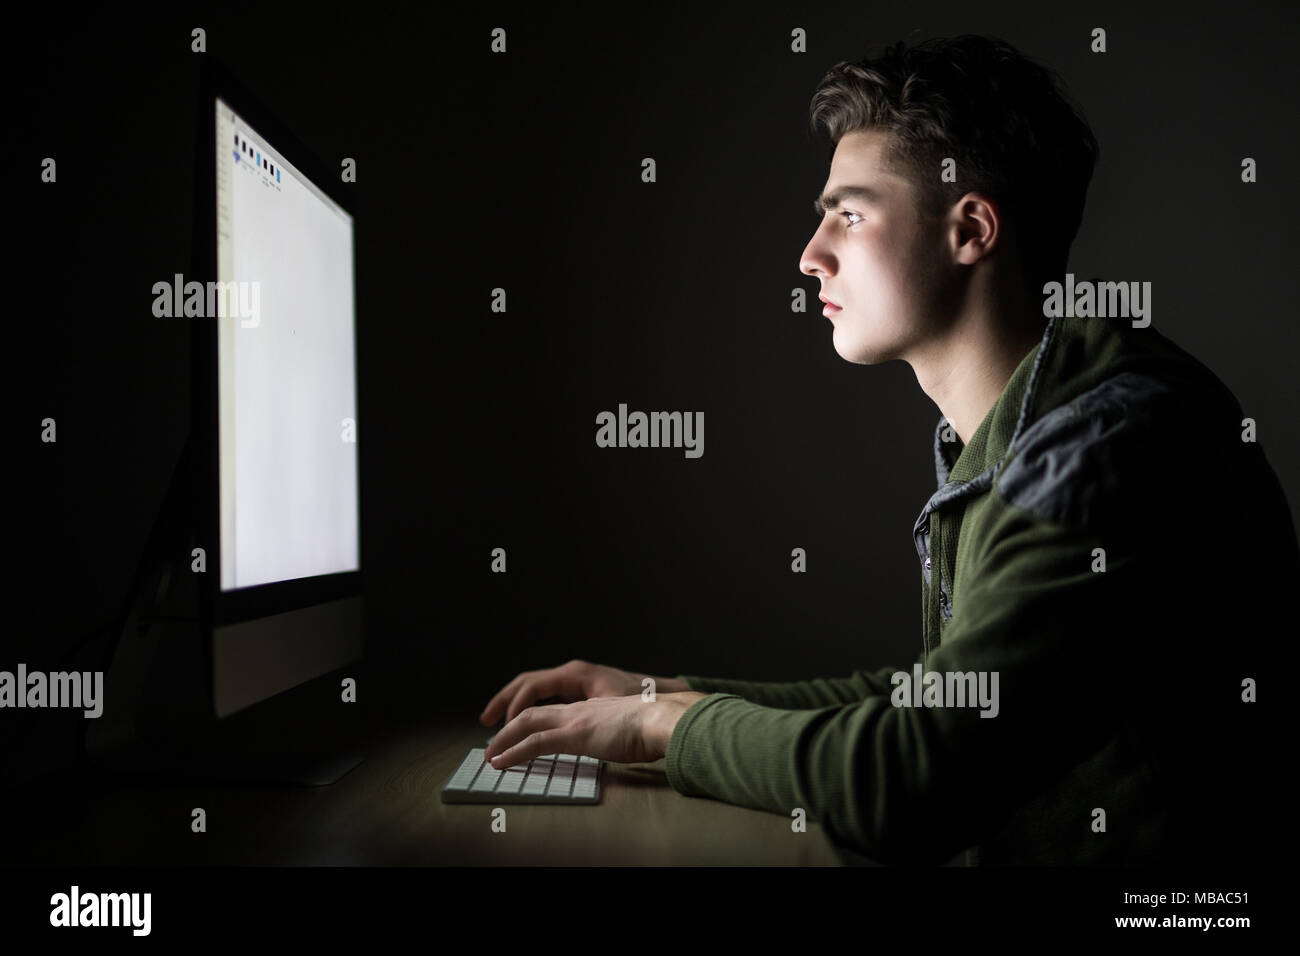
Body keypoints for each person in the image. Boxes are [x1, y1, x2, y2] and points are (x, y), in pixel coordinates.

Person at [481, 35, 1296, 865]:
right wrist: (661, 697)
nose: (810, 256)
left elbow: (913, 780)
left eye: (851, 213)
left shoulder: (1099, 456)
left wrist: (662, 725)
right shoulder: (1024, 427)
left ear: (969, 229)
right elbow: (932, 702)